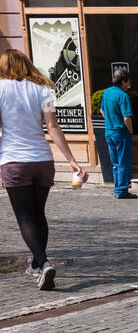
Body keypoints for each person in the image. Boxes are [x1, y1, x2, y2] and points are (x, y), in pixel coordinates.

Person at [0, 49, 85, 291]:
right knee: (39, 214)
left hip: (14, 160)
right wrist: (71, 160)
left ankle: (45, 263)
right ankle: (37, 263)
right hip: (42, 161)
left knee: (25, 217)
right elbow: (53, 127)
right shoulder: (44, 89)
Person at [100, 67, 135, 199]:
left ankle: (117, 188)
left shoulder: (107, 92)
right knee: (124, 162)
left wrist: (110, 120)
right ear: (123, 81)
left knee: (115, 163)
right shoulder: (123, 96)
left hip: (109, 133)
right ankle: (122, 191)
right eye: (128, 82)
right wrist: (130, 132)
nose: (129, 84)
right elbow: (127, 118)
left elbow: (102, 110)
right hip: (121, 133)